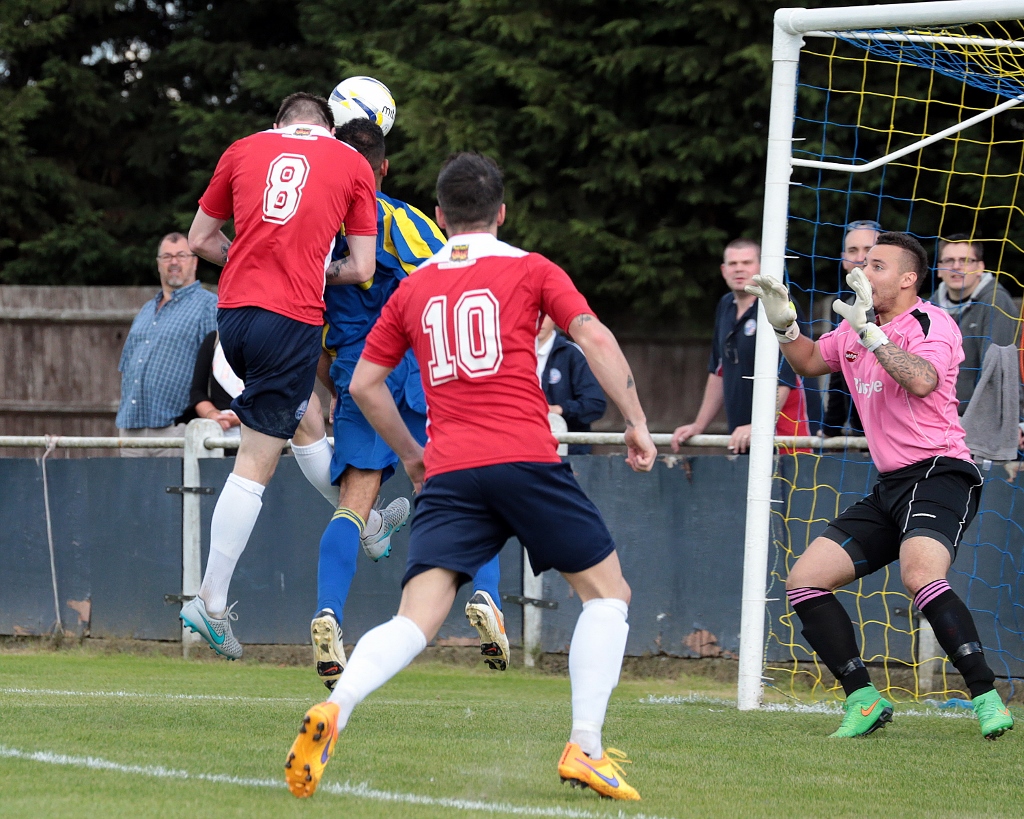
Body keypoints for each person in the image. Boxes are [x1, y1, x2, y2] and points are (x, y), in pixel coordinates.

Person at [283, 152, 657, 801]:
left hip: (450, 469)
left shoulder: (414, 286)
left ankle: (337, 706)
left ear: (438, 215)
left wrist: (412, 455)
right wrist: (636, 420)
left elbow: (365, 384)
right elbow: (593, 336)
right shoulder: (532, 268)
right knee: (607, 594)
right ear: (501, 212)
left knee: (416, 618)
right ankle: (586, 746)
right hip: (524, 456)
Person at [747, 231, 1014, 740]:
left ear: (909, 279)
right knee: (805, 580)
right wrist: (784, 325)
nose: (862, 272)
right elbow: (809, 361)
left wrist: (871, 333)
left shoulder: (931, 322)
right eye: (862, 263)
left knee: (920, 575)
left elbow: (923, 381)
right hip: (891, 484)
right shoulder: (855, 325)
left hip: (941, 472)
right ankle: (863, 699)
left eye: (877, 266)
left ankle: (985, 696)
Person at [288, 117, 507, 688]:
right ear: (384, 166)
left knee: (353, 505)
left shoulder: (313, 233)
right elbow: (448, 285)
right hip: (417, 367)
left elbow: (307, 322)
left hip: (357, 372)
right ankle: (485, 595)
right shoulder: (403, 220)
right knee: (461, 489)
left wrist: (334, 383)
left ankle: (328, 613)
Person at [178, 92, 379, 660]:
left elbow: (199, 239)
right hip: (289, 319)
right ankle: (210, 601)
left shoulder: (243, 147)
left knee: (304, 417)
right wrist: (309, 269)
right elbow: (362, 266)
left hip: (233, 319)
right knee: (256, 459)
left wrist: (251, 258)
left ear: (279, 124)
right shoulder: (351, 162)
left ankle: (365, 523)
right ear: (328, 128)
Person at [670, 238, 808, 455]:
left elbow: (787, 376)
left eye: (747, 262)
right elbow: (719, 370)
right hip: (743, 434)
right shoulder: (725, 305)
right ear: (723, 270)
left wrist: (759, 425)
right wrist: (698, 425)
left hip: (786, 439)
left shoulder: (779, 304)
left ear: (761, 267)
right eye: (733, 264)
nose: (739, 269)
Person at [114, 232, 217, 456]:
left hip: (178, 427)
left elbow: (219, 370)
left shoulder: (209, 306)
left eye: (181, 255)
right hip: (131, 429)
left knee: (176, 482)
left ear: (195, 262)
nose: (174, 262)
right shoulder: (146, 310)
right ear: (159, 264)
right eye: (167, 257)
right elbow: (127, 366)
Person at [929, 233, 1020, 414]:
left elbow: (998, 374)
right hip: (936, 414)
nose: (956, 266)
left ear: (980, 267)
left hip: (981, 417)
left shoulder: (996, 303)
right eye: (949, 260)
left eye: (965, 260)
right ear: (939, 269)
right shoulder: (930, 308)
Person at [821, 220, 881, 437]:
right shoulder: (841, 303)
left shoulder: (897, 301)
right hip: (859, 428)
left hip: (894, 426)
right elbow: (838, 365)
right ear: (843, 258)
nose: (860, 257)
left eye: (868, 249)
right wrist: (831, 428)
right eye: (853, 250)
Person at [537, 314, 607, 454]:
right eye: (534, 314)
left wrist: (559, 409)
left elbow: (595, 404)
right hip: (521, 449)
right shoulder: (507, 354)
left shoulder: (572, 354)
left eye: (544, 314)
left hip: (570, 455)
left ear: (554, 317)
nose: (539, 320)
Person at [188, 330, 244, 436]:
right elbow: (197, 392)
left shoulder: (269, 339)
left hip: (259, 431)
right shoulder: (214, 339)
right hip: (218, 433)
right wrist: (212, 414)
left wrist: (242, 417)